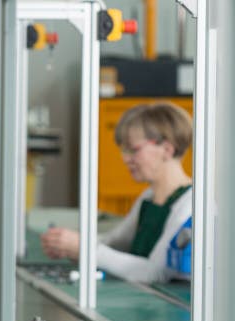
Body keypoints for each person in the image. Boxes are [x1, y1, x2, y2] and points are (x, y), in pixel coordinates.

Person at [40, 101, 193, 283]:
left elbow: (158, 273)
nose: (125, 158)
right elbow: (114, 243)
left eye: (133, 150)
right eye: (124, 150)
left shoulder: (190, 204)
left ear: (167, 149)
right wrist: (69, 245)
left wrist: (86, 249)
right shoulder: (149, 197)